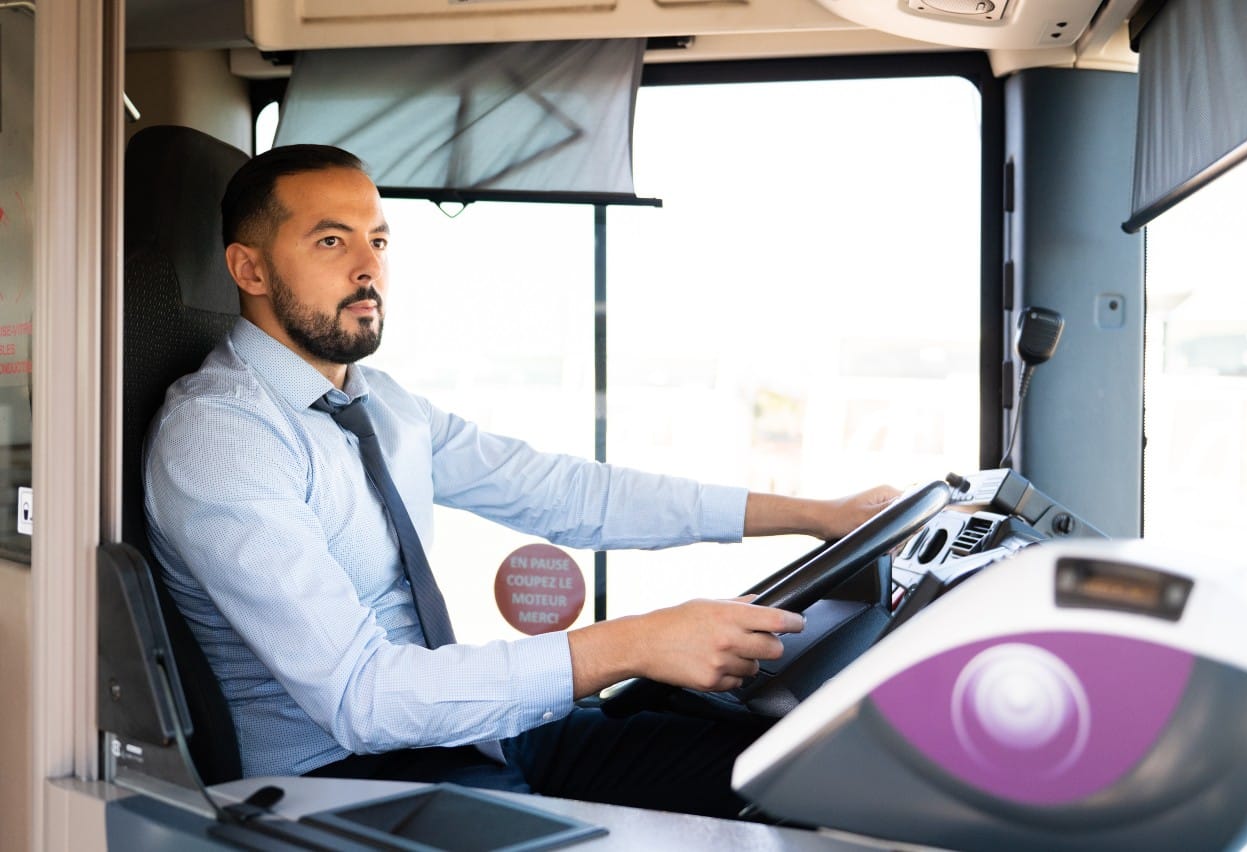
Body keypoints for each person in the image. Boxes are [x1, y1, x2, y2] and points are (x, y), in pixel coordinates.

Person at [144, 144, 900, 818]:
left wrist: (818, 514)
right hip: (346, 779)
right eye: (331, 241)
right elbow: (361, 700)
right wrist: (633, 643)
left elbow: (569, 494)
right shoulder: (222, 436)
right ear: (249, 269)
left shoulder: (383, 405)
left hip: (475, 733)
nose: (368, 266)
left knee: (782, 776)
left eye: (378, 240)